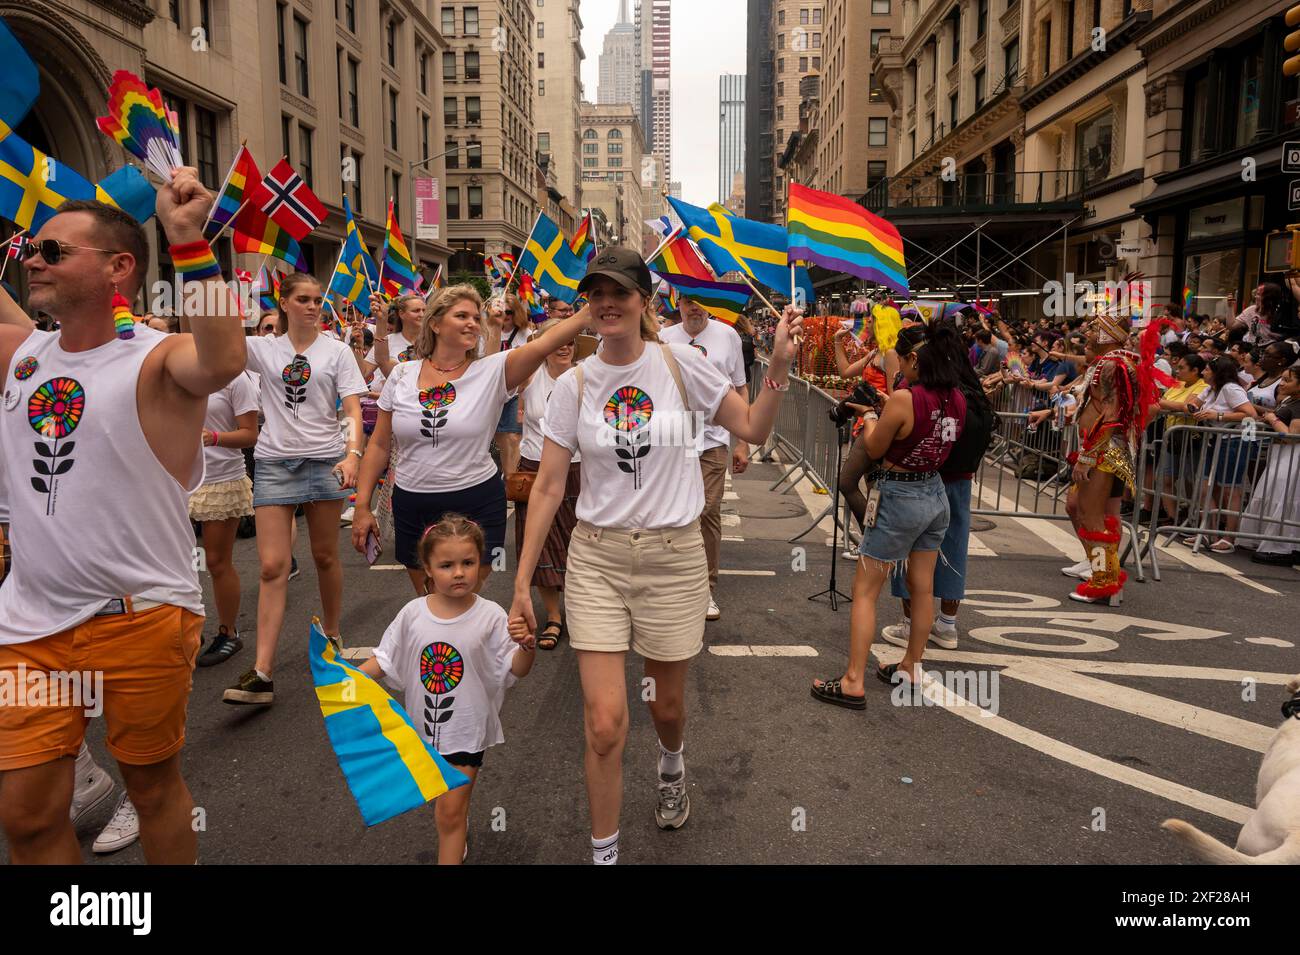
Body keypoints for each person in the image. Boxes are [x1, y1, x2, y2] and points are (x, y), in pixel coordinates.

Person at [507, 247, 802, 864]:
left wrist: (775, 365)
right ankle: (604, 852)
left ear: (645, 301)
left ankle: (672, 764)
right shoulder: (574, 385)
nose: (606, 304)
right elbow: (552, 486)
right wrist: (522, 582)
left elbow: (750, 427)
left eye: (619, 292)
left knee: (666, 707)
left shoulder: (681, 367)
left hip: (673, 557)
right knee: (606, 723)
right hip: (597, 561)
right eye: (596, 295)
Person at [0, 177, 245, 864]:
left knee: (151, 786)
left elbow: (224, 359)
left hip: (139, 618)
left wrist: (190, 241)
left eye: (53, 248)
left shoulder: (155, 358)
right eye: (30, 247)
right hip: (29, 628)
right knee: (26, 817)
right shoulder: (20, 354)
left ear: (118, 268)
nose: (34, 259)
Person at [349, 285, 589, 598]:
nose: (472, 323)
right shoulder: (402, 375)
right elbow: (379, 445)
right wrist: (362, 506)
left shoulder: (491, 371)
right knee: (429, 600)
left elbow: (544, 344)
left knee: (468, 600)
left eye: (476, 317)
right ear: (435, 324)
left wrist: (588, 312)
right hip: (412, 502)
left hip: (477, 501)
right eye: (461, 315)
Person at [222, 272, 367, 706]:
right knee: (271, 565)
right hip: (273, 463)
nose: (312, 306)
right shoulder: (262, 348)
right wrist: (214, 294)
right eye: (303, 299)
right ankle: (263, 670)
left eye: (317, 299)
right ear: (283, 303)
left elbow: (353, 410)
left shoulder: (337, 351)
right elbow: (215, 347)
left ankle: (334, 638)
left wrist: (353, 453)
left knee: (325, 556)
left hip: (326, 461)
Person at [360, 516, 534, 864]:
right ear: (427, 568)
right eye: (446, 565)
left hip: (468, 731)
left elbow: (515, 670)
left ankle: (454, 834)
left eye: (468, 563)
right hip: (422, 733)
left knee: (448, 814)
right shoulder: (412, 614)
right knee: (445, 805)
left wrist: (527, 647)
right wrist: (346, 683)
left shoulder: (492, 616)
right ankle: (456, 825)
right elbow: (384, 660)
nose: (458, 573)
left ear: (480, 564)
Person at [810, 322, 967, 707]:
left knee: (865, 591)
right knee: (923, 586)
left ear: (915, 358)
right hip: (935, 494)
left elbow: (876, 445)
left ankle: (852, 680)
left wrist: (868, 415)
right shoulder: (957, 398)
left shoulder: (905, 398)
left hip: (898, 496)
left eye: (903, 358)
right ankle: (911, 666)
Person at [879, 321, 995, 652]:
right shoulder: (966, 385)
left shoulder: (918, 387)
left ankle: (910, 624)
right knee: (953, 547)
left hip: (920, 479)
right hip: (960, 480)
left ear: (915, 357)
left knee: (910, 553)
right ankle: (946, 624)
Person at [660, 297, 749, 621]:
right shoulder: (664, 338)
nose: (693, 308)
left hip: (713, 438)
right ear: (678, 305)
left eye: (699, 302)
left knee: (705, 508)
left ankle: (703, 589)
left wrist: (742, 444)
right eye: (687, 302)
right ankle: (677, 583)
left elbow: (740, 389)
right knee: (682, 512)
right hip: (674, 438)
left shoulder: (728, 336)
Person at [513, 318, 581, 649]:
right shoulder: (529, 376)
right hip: (534, 468)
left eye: (570, 339)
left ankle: (584, 612)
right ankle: (553, 616)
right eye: (557, 339)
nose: (565, 345)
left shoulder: (588, 375)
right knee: (537, 546)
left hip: (580, 470)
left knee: (579, 544)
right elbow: (491, 368)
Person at [192, 371, 260, 665]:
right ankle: (189, 628)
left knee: (217, 561)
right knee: (177, 561)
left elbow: (250, 433)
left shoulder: (234, 379)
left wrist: (214, 437)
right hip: (175, 479)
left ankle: (228, 633)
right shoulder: (171, 372)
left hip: (220, 479)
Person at [1183, 355, 1259, 553]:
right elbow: (1191, 402)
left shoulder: (1231, 389)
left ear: (1218, 372)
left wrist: (1217, 415)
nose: (1203, 372)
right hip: (1213, 441)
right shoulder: (1210, 389)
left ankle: (1229, 536)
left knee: (1229, 490)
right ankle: (1209, 532)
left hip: (1232, 442)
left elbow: (1250, 413)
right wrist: (1193, 407)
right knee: (1206, 488)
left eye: (1207, 370)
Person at [1239, 364, 1300, 564]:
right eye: (1281, 379)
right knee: (1272, 493)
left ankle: (1283, 546)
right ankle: (1267, 539)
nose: (1281, 384)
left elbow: (1293, 436)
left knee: (1285, 497)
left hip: (1292, 456)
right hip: (1280, 454)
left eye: (1287, 380)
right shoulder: (1290, 400)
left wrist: (1273, 419)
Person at [1146, 353, 1209, 525]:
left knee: (1191, 480)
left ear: (1195, 370)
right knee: (1164, 478)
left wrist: (1166, 404)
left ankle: (1192, 516)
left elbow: (1188, 407)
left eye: (1182, 368)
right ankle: (1174, 518)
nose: (1177, 370)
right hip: (1171, 437)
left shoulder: (1202, 387)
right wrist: (1174, 405)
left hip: (1191, 438)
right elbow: (1162, 402)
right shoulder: (1177, 384)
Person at [494, 293, 533, 477]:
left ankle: (512, 480)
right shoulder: (490, 331)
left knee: (514, 436)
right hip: (495, 391)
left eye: (509, 312)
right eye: (502, 311)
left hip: (518, 389)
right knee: (501, 438)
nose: (505, 315)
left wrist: (524, 388)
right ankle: (507, 473)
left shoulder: (526, 334)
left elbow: (533, 362)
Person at [365, 292, 424, 377]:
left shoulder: (434, 341)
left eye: (424, 310)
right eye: (416, 311)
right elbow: (365, 371)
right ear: (401, 314)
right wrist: (356, 346)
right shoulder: (388, 341)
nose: (422, 314)